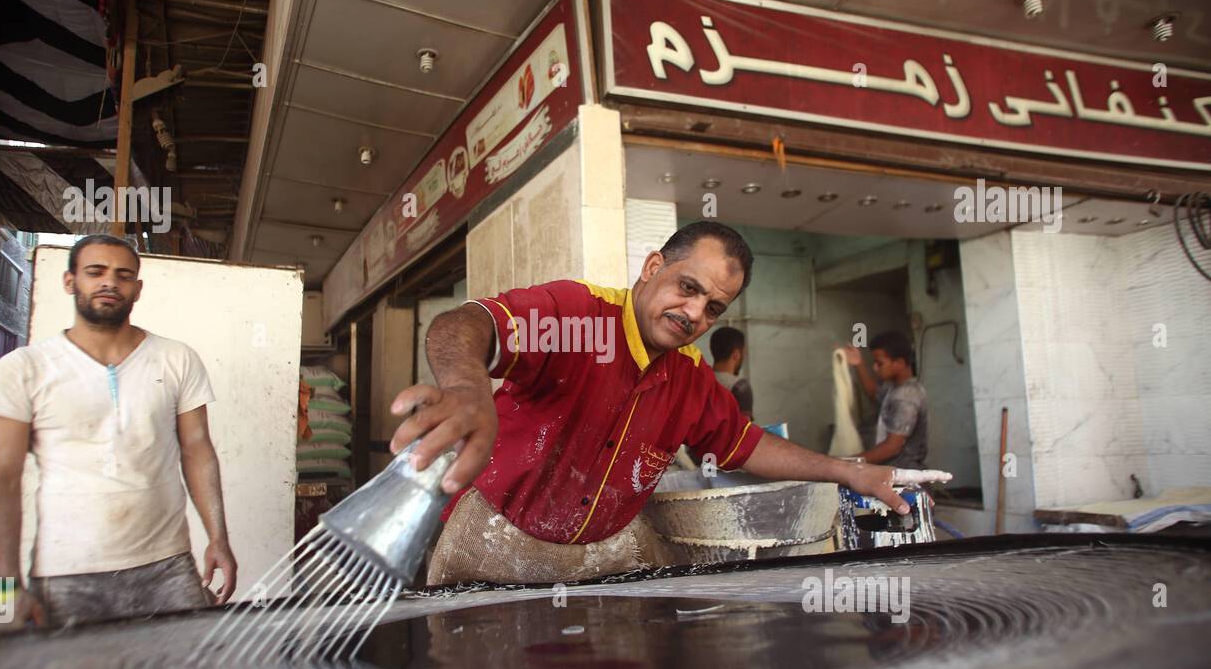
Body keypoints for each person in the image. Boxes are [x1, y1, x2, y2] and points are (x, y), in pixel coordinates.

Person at [389, 221, 946, 585]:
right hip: (494, 542)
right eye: (687, 286)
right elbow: (467, 323)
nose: (695, 313)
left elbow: (747, 445)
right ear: (653, 267)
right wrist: (467, 385)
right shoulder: (580, 316)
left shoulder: (691, 376)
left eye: (714, 307)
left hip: (604, 557)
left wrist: (848, 472)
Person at [0, 234, 237, 627]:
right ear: (69, 281)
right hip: (66, 573)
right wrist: (4, 591)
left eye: (123, 275)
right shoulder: (23, 369)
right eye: (95, 272)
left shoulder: (176, 359)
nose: (110, 282)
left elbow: (198, 451)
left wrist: (218, 539)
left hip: (167, 566)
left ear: (138, 289)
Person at [841, 330, 929, 468]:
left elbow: (892, 447)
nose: (875, 368)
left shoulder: (906, 397)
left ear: (899, 363)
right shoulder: (894, 389)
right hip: (893, 470)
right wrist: (859, 363)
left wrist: (845, 463)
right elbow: (872, 392)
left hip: (904, 475)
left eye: (879, 363)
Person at [708, 326, 753, 419]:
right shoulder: (740, 387)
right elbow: (745, 430)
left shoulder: (700, 379)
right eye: (743, 353)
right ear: (736, 354)